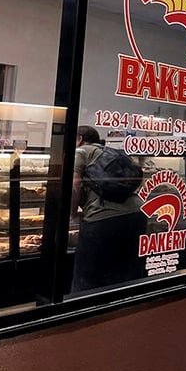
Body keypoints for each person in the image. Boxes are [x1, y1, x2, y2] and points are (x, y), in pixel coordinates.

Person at [70, 125, 146, 293]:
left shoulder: (81, 152)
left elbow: (74, 184)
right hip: (136, 215)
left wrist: (72, 214)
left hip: (102, 218)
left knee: (88, 278)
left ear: (79, 139)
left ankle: (86, 313)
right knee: (126, 273)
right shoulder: (113, 153)